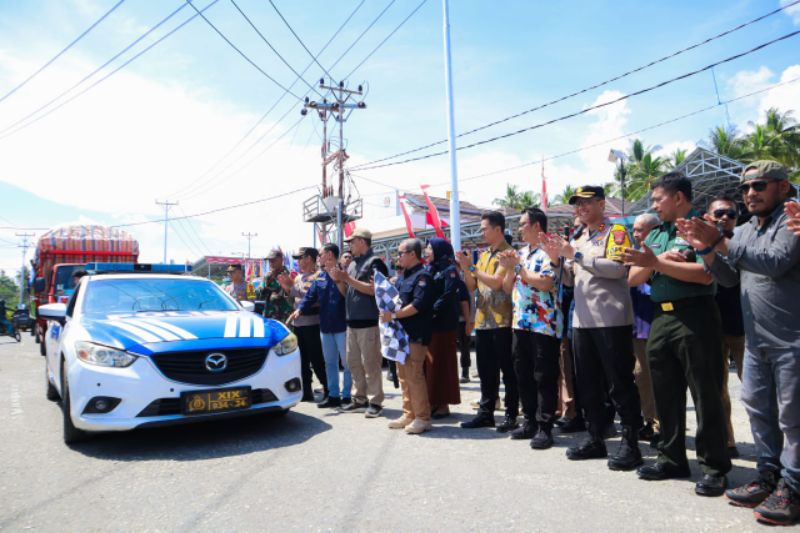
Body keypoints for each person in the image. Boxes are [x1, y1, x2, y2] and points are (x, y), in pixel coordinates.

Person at [678, 160, 799, 524]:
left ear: (782, 186)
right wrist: (706, 249)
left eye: (759, 186)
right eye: (746, 188)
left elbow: (775, 262)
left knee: (793, 418)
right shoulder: (744, 230)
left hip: (792, 340)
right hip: (756, 339)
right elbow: (730, 280)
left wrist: (718, 240)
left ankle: (793, 487)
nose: (750, 194)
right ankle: (768, 475)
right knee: (758, 409)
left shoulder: (792, 222)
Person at [624, 172, 731, 497]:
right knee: (665, 392)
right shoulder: (657, 234)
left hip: (695, 315)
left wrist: (658, 264)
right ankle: (671, 458)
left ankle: (714, 467)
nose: (654, 205)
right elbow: (633, 276)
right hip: (661, 318)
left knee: (705, 394)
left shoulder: (700, 227)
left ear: (679, 198)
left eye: (659, 199)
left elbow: (703, 275)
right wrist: (656, 262)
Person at [498, 207, 562, 450]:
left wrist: (518, 269)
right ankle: (530, 422)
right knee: (522, 373)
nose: (519, 229)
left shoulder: (551, 251)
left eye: (523, 224)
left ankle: (545, 426)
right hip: (520, 322)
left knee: (544, 376)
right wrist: (507, 267)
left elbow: (546, 283)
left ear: (537, 226)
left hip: (544, 324)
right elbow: (506, 288)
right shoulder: (520, 253)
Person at [455, 211, 519, 432]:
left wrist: (471, 267)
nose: (481, 231)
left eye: (484, 228)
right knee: (486, 370)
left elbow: (496, 283)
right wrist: (465, 266)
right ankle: (486, 413)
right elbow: (472, 286)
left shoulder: (508, 254)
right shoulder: (483, 255)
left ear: (498, 229)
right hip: (483, 321)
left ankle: (511, 414)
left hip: (503, 321)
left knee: (508, 371)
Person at [329, 228, 389, 418]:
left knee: (371, 364)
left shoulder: (375, 263)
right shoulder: (353, 264)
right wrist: (340, 281)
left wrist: (346, 278)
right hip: (352, 322)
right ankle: (359, 399)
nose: (349, 246)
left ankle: (375, 402)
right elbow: (349, 292)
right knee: (353, 363)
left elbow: (374, 290)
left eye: (351, 242)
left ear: (362, 242)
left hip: (368, 322)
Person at [705, 196, 745, 458]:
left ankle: (775, 449)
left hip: (744, 327)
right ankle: (726, 440)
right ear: (709, 215)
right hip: (712, 325)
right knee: (717, 389)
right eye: (719, 213)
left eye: (730, 214)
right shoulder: (696, 243)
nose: (724, 218)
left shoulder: (744, 240)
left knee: (757, 390)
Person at [383, 238, 436, 434]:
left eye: (400, 253)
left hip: (416, 334)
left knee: (414, 375)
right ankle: (409, 413)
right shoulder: (404, 276)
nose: (398, 257)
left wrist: (393, 315)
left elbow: (417, 305)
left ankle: (422, 417)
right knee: (403, 376)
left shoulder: (423, 277)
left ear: (413, 254)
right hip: (401, 334)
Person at [290, 243, 352, 409]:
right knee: (329, 363)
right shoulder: (320, 277)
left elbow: (345, 294)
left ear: (330, 255)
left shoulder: (344, 273)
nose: (319, 257)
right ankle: (333, 395)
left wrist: (338, 280)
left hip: (342, 326)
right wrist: (300, 310)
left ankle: (346, 396)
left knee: (347, 364)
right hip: (325, 326)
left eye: (321, 254)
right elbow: (309, 297)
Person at [281, 247, 327, 403]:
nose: (298, 261)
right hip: (299, 323)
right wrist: (287, 288)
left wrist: (291, 287)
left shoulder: (318, 275)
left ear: (309, 258)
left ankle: (328, 389)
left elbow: (310, 296)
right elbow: (293, 298)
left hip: (312, 322)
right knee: (302, 359)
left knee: (316, 358)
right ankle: (306, 390)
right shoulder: (299, 277)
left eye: (300, 258)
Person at [630, 213, 660, 444]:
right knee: (641, 376)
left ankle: (660, 424)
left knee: (655, 376)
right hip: (638, 324)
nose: (636, 233)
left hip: (657, 322)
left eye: (641, 229)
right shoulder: (633, 255)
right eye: (635, 229)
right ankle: (651, 421)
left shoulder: (661, 253)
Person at [424, 238, 461, 419]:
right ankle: (433, 401)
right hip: (431, 324)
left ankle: (443, 404)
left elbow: (448, 294)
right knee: (431, 364)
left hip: (444, 324)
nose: (426, 251)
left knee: (443, 364)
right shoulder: (431, 269)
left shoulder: (449, 269)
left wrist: (431, 311)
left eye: (430, 248)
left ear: (439, 250)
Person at [261, 247, 293, 323]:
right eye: (270, 261)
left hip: (284, 318)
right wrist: (267, 284)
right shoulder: (268, 277)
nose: (271, 264)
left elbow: (294, 297)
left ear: (281, 260)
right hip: (269, 317)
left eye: (273, 261)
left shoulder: (290, 275)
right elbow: (260, 296)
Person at [454, 264, 474, 383]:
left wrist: (468, 322)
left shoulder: (461, 284)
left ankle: (465, 371)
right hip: (449, 321)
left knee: (464, 347)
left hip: (461, 320)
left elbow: (466, 303)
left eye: (456, 267)